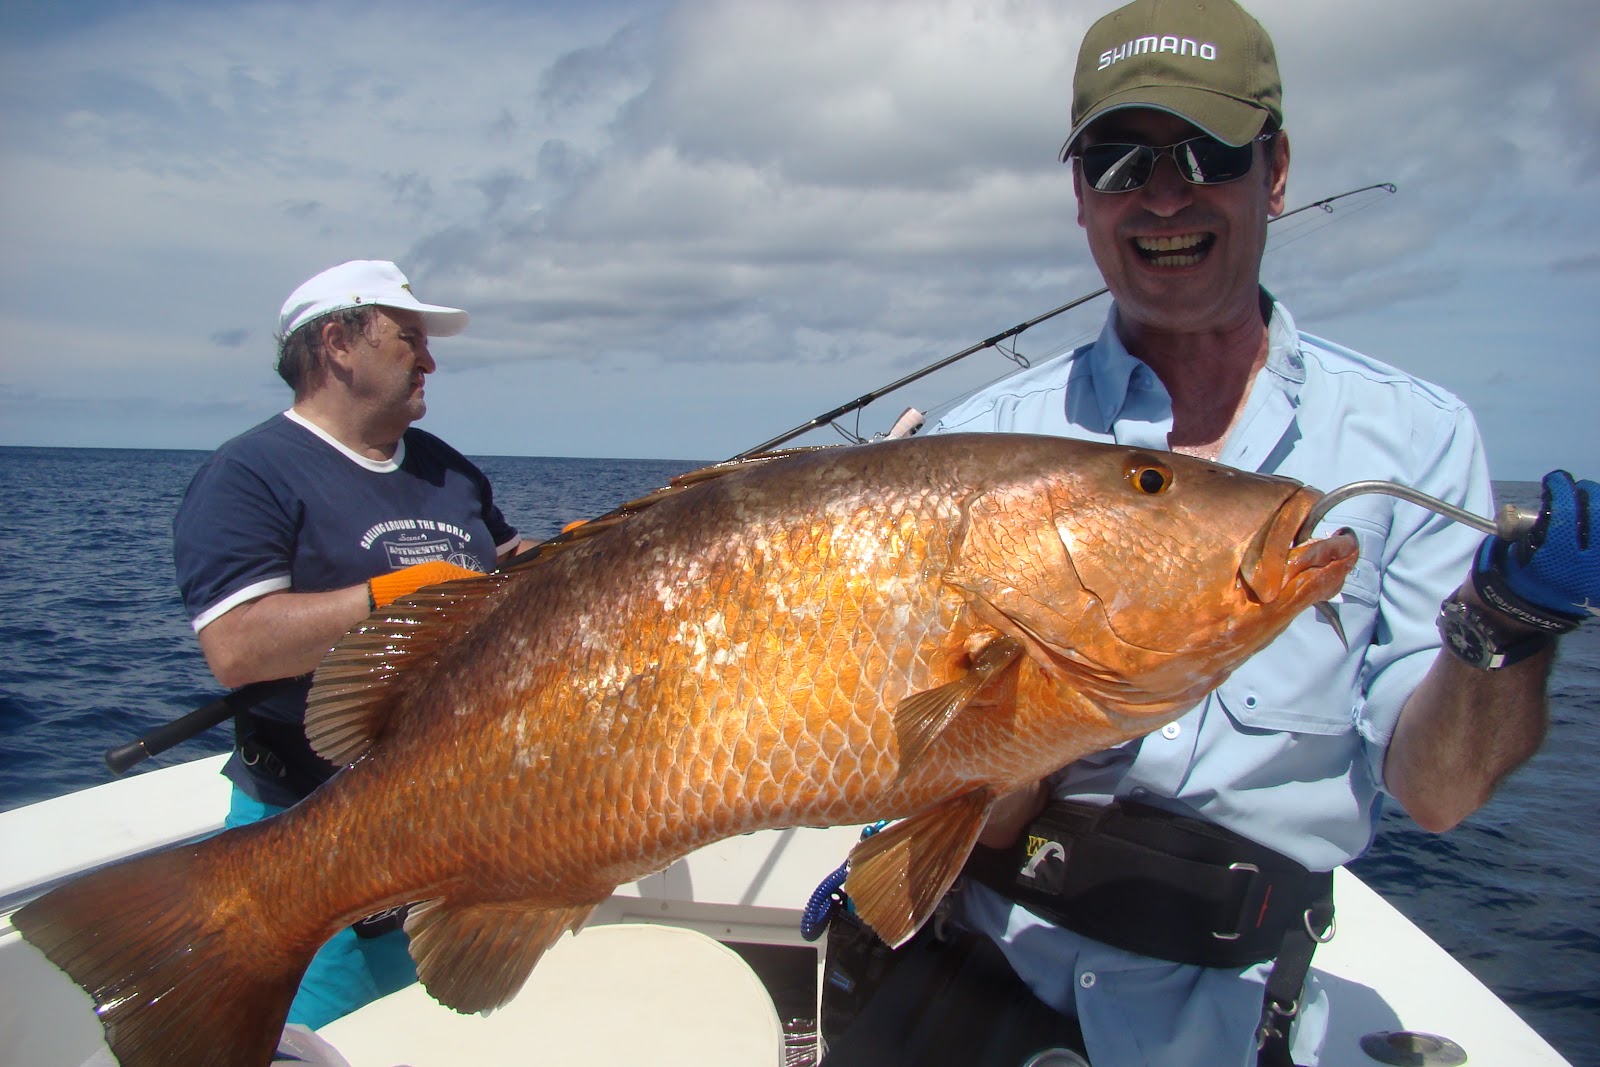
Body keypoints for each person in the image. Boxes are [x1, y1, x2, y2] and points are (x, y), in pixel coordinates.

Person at [817, 2, 1600, 1065]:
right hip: (981, 974)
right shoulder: (980, 447)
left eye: (1209, 153)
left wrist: (1503, 631)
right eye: (1118, 162)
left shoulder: (1416, 439)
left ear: (1275, 171)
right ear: (1081, 196)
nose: (1163, 195)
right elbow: (947, 781)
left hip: (1238, 1022)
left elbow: (1439, 793)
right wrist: (991, 746)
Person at [173, 259, 523, 1029]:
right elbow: (236, 646)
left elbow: (502, 562)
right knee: (315, 1042)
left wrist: (580, 555)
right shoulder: (248, 473)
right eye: (409, 339)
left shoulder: (447, 469)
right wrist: (386, 598)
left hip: (449, 827)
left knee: (424, 1039)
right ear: (337, 344)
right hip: (305, 829)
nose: (429, 360)